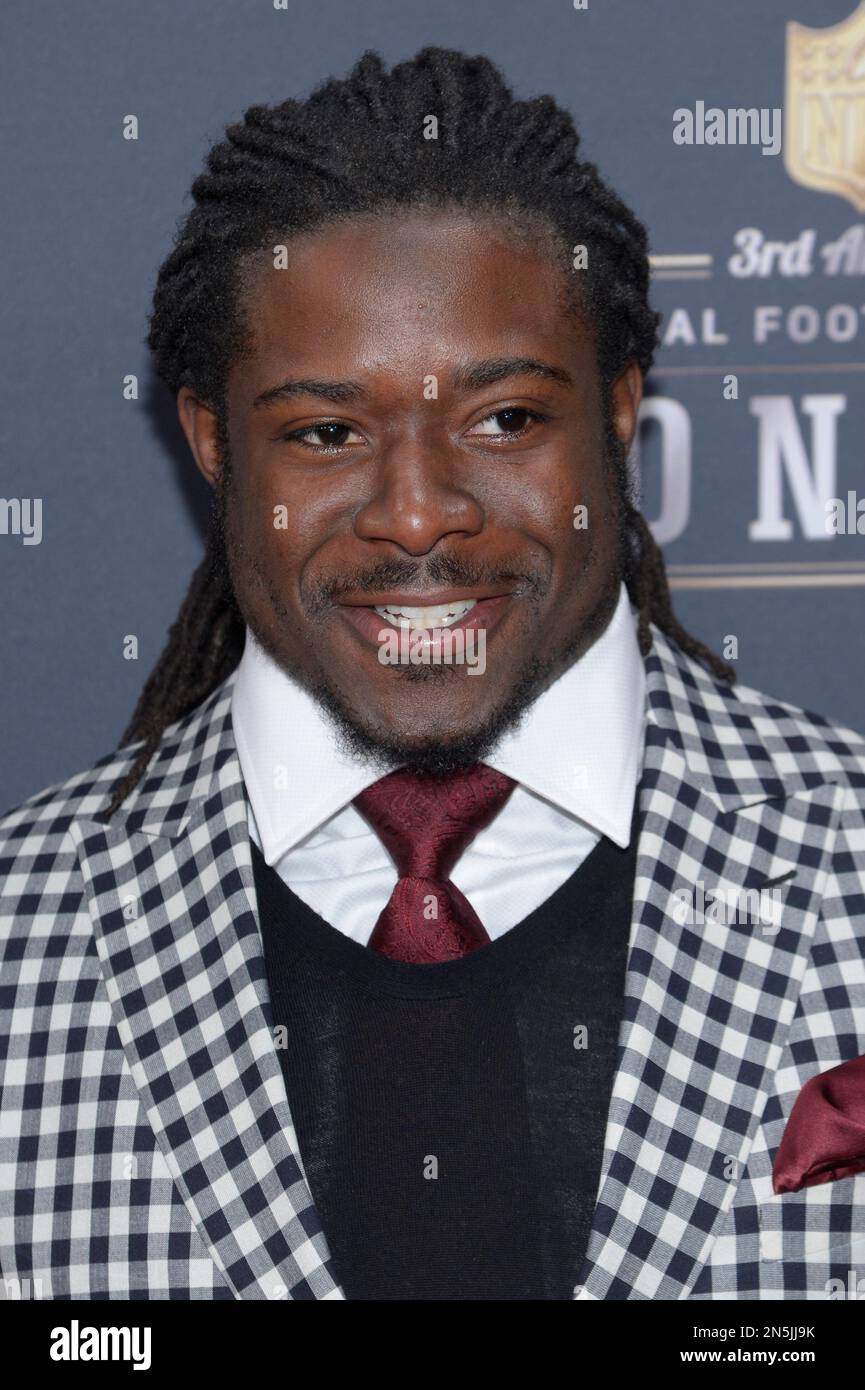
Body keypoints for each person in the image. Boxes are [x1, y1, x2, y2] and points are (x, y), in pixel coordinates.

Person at [1, 47, 863, 1302]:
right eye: (325, 432)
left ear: (620, 409)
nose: (416, 513)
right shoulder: (22, 932)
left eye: (504, 419)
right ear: (211, 442)